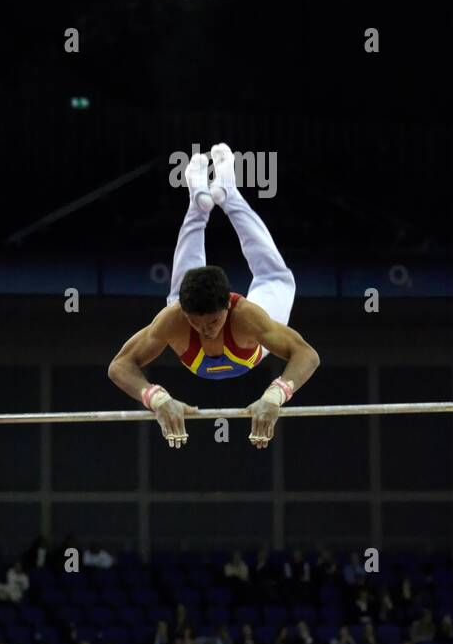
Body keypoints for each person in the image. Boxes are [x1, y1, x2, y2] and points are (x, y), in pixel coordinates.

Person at [108, 143, 320, 448]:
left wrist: (275, 396)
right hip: (184, 312)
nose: (205, 329)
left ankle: (227, 194)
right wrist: (157, 399)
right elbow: (119, 365)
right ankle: (199, 197)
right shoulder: (176, 318)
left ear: (229, 305)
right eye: (196, 323)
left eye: (213, 321)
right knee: (181, 286)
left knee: (275, 277)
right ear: (186, 314)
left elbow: (308, 355)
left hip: (247, 335)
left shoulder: (247, 315)